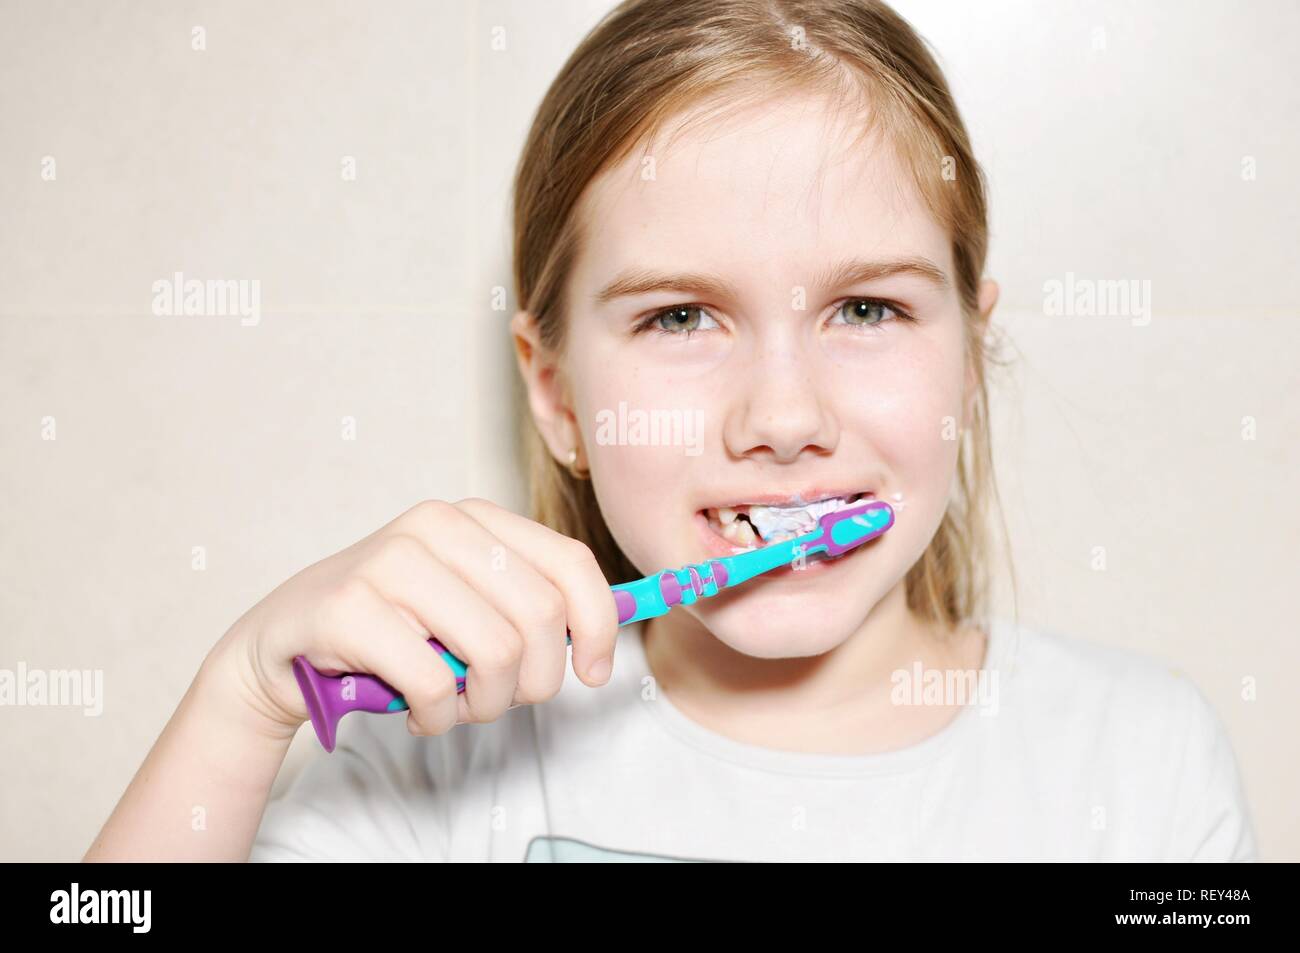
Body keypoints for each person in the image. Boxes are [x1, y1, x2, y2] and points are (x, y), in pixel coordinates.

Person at [84, 0, 1256, 862]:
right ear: (555, 395)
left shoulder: (1136, 764)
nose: (784, 418)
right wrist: (239, 699)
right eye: (682, 315)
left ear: (968, 357)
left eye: (865, 308)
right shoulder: (439, 762)